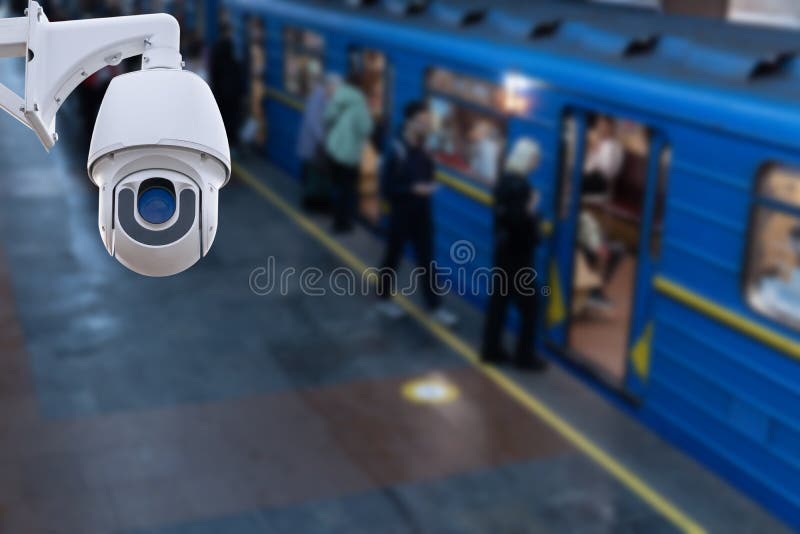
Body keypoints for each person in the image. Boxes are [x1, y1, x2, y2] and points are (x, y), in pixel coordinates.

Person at [376, 101, 458, 327]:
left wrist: (429, 184)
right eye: (423, 121)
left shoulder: (425, 148)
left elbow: (429, 175)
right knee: (393, 256)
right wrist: (412, 189)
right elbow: (386, 188)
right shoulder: (396, 149)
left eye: (428, 121)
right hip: (401, 213)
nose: (427, 125)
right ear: (410, 122)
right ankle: (383, 298)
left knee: (427, 261)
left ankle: (435, 307)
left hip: (422, 213)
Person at [481, 138, 547, 371]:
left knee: (499, 303)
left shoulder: (503, 181)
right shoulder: (522, 187)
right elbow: (519, 222)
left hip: (503, 252)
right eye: (536, 158)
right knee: (531, 308)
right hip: (519, 257)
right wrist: (532, 209)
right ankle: (524, 356)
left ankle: (490, 349)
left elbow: (503, 218)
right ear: (528, 159)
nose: (538, 162)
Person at [324, 72, 373, 233]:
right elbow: (366, 128)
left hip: (333, 149)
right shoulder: (359, 103)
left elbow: (327, 118)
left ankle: (336, 218)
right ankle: (343, 223)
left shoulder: (337, 97)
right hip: (349, 153)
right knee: (348, 188)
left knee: (337, 185)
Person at [297, 71, 339, 211]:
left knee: (320, 176)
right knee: (314, 177)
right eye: (334, 88)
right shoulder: (317, 98)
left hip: (320, 148)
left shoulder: (326, 97)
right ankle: (311, 204)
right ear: (329, 86)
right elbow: (314, 123)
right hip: (314, 147)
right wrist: (325, 140)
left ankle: (319, 203)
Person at [210, 23, 246, 150]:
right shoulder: (232, 59)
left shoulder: (216, 52)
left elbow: (214, 74)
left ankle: (227, 144)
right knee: (233, 119)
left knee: (225, 120)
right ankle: (233, 144)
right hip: (232, 95)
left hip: (221, 94)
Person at [583, 115, 624, 195]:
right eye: (599, 125)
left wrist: (595, 150)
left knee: (576, 180)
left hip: (602, 182)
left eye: (604, 126)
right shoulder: (600, 142)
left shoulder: (611, 145)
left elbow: (606, 171)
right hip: (592, 177)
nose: (600, 129)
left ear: (611, 127)